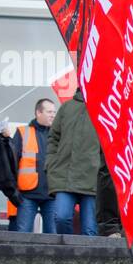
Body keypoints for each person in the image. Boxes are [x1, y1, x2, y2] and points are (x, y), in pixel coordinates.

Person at [45, 86, 102, 236]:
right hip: (64, 176)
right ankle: (67, 255)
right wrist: (51, 163)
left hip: (93, 179)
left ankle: (86, 259)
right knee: (61, 218)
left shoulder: (104, 108)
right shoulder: (67, 107)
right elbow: (53, 137)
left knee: (89, 230)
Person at [11, 98, 57, 233]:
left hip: (51, 194)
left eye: (54, 112)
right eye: (49, 112)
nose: (53, 115)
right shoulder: (22, 132)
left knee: (53, 237)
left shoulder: (58, 134)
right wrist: (14, 190)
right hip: (27, 194)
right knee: (23, 234)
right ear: (38, 113)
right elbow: (12, 162)